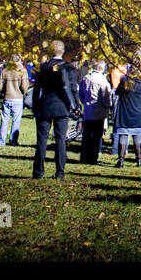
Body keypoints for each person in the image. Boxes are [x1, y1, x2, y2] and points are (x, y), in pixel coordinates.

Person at [31, 40, 79, 180]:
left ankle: (38, 171)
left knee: (42, 140)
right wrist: (75, 105)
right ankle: (60, 171)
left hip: (45, 104)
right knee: (60, 139)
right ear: (62, 51)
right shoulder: (68, 68)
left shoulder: (43, 67)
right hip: (61, 106)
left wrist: (35, 106)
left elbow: (37, 89)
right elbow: (72, 88)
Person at [112, 65, 141, 167]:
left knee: (123, 134)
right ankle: (139, 159)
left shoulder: (125, 80)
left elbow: (117, 92)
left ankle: (121, 160)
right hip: (138, 111)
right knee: (137, 135)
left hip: (125, 110)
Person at [80, 61, 113, 163]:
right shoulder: (103, 80)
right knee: (96, 136)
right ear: (102, 68)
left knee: (86, 135)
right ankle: (92, 158)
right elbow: (106, 96)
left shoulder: (86, 78)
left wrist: (85, 102)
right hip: (99, 110)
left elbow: (80, 94)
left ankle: (84, 156)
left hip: (88, 109)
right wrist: (108, 106)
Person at [0, 56, 28, 146]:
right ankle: (13, 140)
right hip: (18, 98)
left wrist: (4, 92)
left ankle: (1, 141)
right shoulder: (22, 71)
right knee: (16, 120)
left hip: (7, 97)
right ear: (19, 60)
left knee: (4, 120)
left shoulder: (5, 70)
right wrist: (23, 93)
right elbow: (24, 86)